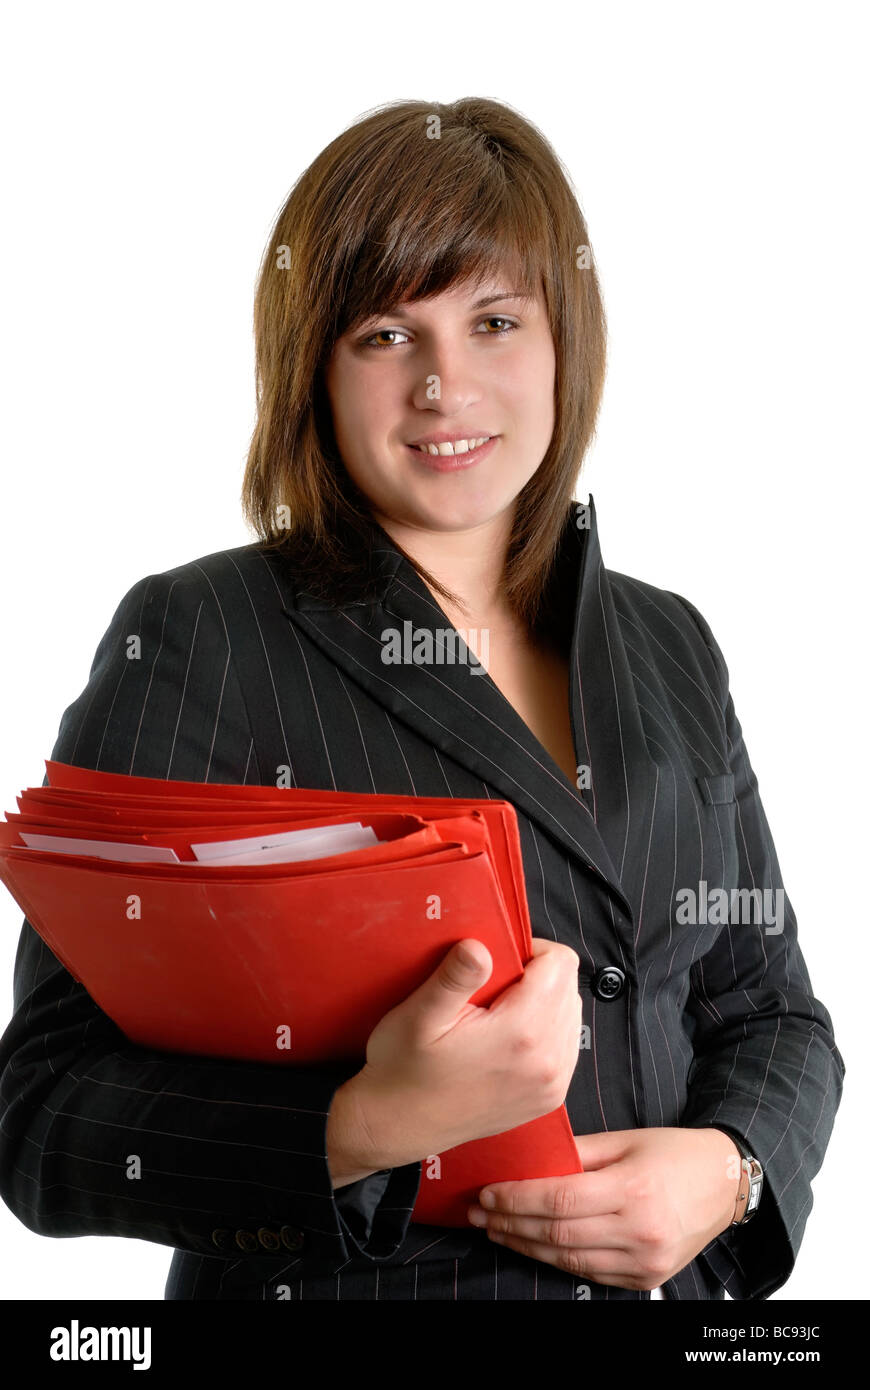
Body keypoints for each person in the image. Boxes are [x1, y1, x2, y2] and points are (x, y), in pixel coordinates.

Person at [0, 96, 844, 1302]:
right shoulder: (203, 636)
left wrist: (733, 1168)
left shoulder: (669, 641)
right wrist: (362, 1125)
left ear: (565, 344)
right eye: (387, 335)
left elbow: (773, 1012)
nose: (447, 385)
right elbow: (44, 1117)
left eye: (495, 320)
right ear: (317, 370)